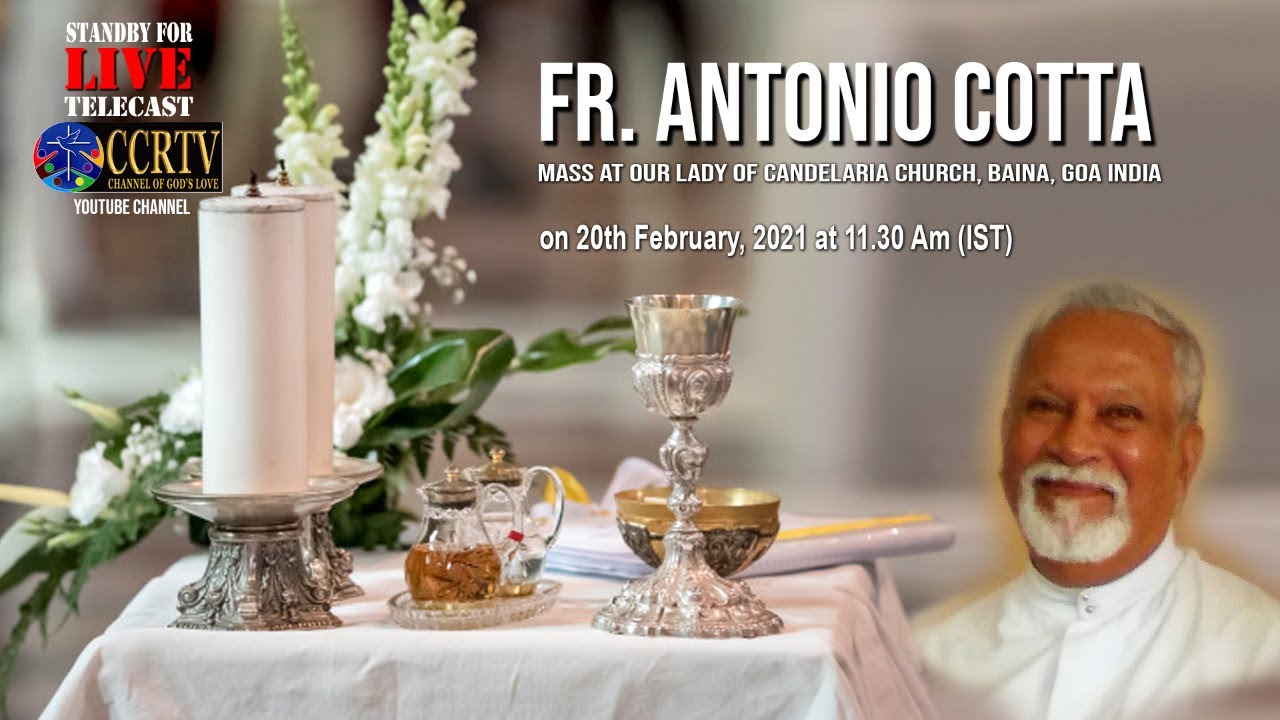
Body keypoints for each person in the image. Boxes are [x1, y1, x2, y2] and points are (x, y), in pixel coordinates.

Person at [912, 281, 1280, 720]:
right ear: (1005, 433)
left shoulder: (1262, 659)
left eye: (1120, 413)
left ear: (1185, 457)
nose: (1073, 445)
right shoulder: (919, 673)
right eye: (1046, 406)